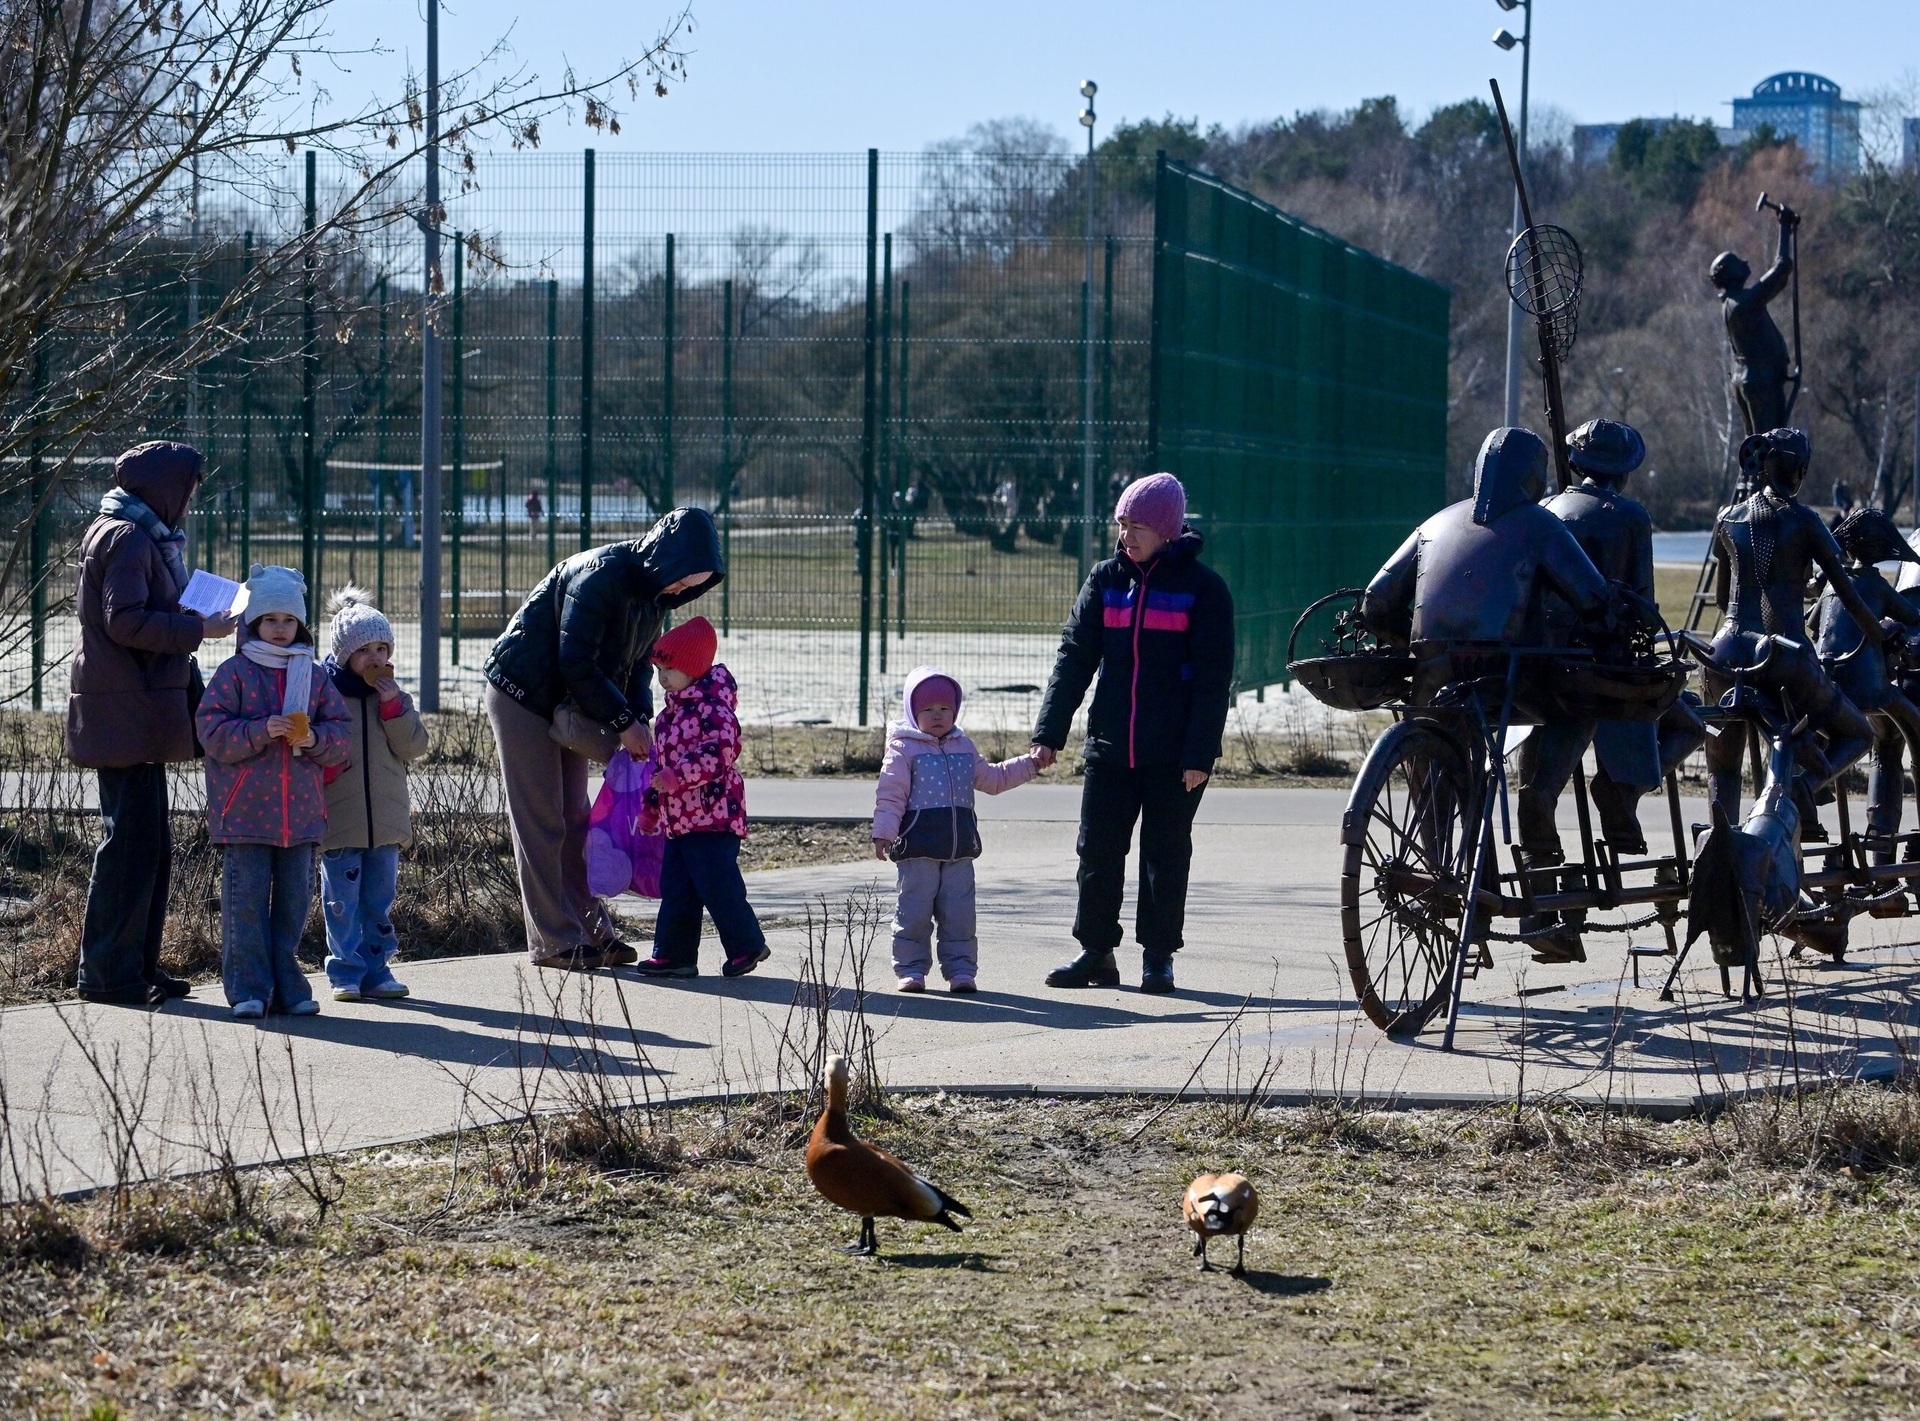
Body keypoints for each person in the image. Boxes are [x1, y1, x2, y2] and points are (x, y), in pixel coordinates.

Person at [483, 508, 724, 972]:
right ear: (665, 556)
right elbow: (577, 662)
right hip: (522, 694)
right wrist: (621, 722)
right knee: (543, 820)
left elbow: (635, 667)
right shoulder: (597, 576)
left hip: (570, 705)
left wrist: (639, 717)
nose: (682, 589)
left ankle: (594, 933)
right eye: (681, 577)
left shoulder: (655, 598)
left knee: (576, 818)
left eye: (693, 582)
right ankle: (555, 939)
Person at [1032, 473, 1234, 995]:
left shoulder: (1204, 591)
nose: (1126, 535)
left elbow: (1214, 681)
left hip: (1175, 754)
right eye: (1122, 524)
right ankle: (1096, 951)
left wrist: (1199, 753)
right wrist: (1050, 731)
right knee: (1097, 850)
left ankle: (1159, 956)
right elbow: (1075, 658)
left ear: (1166, 530)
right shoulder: (1104, 581)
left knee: (1165, 855)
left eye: (1138, 525)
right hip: (1110, 745)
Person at [1517, 420, 1706, 957]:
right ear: (1624, 471)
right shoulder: (1629, 516)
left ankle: (1546, 899)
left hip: (1544, 668)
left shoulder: (1547, 513)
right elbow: (1642, 602)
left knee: (1538, 789)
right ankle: (1619, 791)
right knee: (1689, 721)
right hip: (1605, 671)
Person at [67, 441, 237, 1006]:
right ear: (164, 488)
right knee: (130, 846)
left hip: (133, 713)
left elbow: (138, 614)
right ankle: (108, 974)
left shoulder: (136, 533)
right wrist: (198, 631)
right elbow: (126, 621)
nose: (190, 501)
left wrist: (190, 615)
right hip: (126, 714)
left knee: (148, 847)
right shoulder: (128, 538)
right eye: (187, 489)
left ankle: (136, 966)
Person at [1704, 428, 1880, 833]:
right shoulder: (1804, 520)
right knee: (1858, 733)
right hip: (1782, 656)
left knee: (1723, 763)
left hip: (1725, 651)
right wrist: (1878, 634)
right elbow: (1847, 592)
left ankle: (1721, 837)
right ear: (1800, 470)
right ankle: (1803, 787)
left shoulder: (1728, 518)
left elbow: (1719, 598)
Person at [196, 566, 351, 1020]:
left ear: (300, 624)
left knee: (292, 907)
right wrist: (261, 729)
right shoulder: (235, 672)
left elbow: (340, 733)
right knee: (244, 905)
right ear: (253, 624)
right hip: (243, 814)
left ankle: (288, 986)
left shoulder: (315, 676)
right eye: (270, 620)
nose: (280, 629)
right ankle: (248, 988)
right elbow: (211, 730)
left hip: (301, 816)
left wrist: (314, 741)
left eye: (288, 620)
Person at [871, 666, 1043, 994]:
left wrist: (1031, 764)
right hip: (917, 851)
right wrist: (884, 832)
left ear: (955, 710)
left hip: (959, 850)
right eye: (928, 710)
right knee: (914, 911)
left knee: (960, 915)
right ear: (912, 711)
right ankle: (910, 970)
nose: (937, 716)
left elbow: (993, 779)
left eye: (944, 709)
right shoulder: (904, 749)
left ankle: (961, 970)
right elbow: (890, 795)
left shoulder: (964, 747)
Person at [629, 616, 769, 979]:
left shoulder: (714, 709)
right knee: (677, 887)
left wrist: (678, 777)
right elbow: (661, 767)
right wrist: (651, 805)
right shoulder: (668, 716)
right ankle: (674, 955)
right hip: (679, 820)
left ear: (693, 668)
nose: (662, 678)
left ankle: (746, 943)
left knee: (716, 883)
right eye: (658, 669)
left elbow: (720, 754)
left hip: (714, 815)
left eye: (670, 669)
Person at [318, 587, 432, 1001]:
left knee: (378, 902)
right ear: (344, 653)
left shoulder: (395, 697)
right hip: (340, 819)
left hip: (385, 822)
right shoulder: (324, 691)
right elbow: (315, 746)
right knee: (341, 904)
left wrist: (394, 709)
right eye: (364, 650)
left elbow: (415, 747)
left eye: (382, 648)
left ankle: (377, 970)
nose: (376, 659)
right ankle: (345, 972)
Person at [1812, 509, 1920, 875]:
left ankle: (1881, 849)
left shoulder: (1834, 582)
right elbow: (1907, 615)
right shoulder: (1876, 582)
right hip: (1875, 687)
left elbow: (1817, 624)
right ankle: (1884, 850)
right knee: (1904, 732)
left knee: (1885, 745)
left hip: (1837, 684)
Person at [1710, 201, 1798, 438]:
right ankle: (1759, 477)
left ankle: (1751, 476)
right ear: (1730, 273)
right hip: (1760, 381)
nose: (1746, 263)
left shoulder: (1731, 303)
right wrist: (1785, 228)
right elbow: (1781, 269)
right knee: (1766, 447)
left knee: (1755, 447)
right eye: (1739, 262)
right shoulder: (1742, 305)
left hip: (1750, 378)